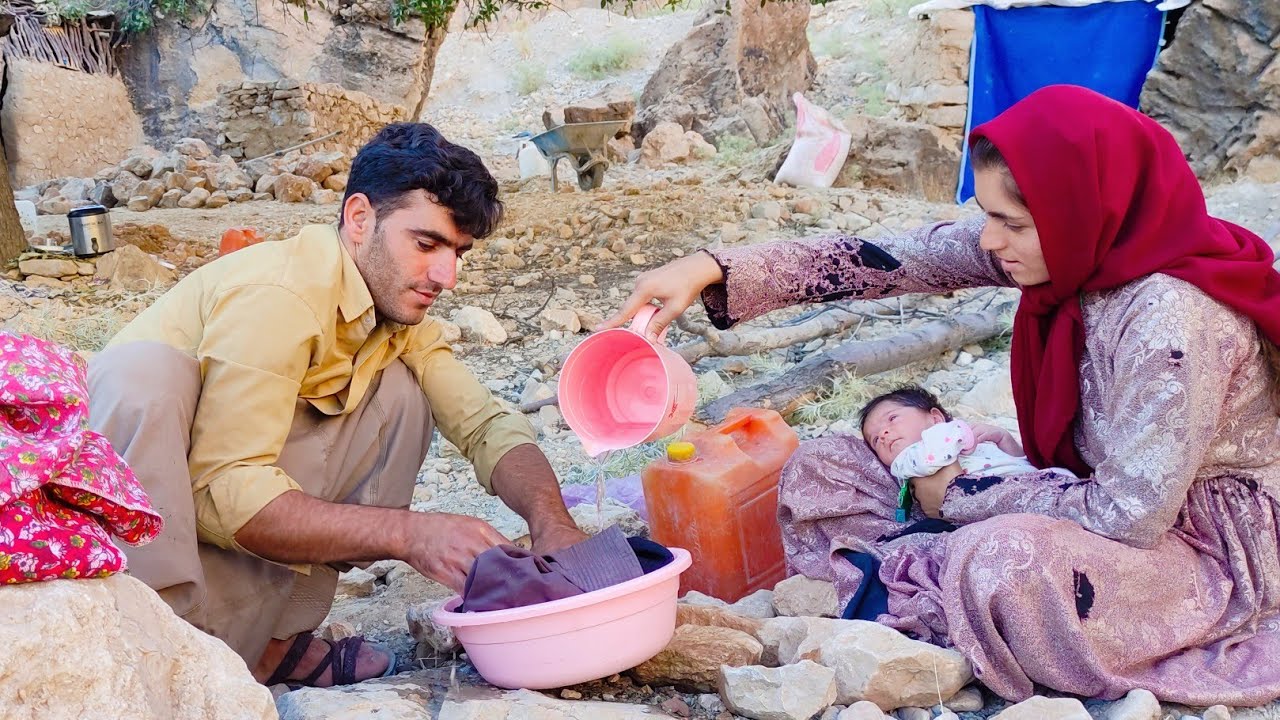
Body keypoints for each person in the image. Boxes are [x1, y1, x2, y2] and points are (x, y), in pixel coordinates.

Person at [601, 85, 1280, 705]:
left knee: (1006, 562)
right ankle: (927, 566)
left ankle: (928, 565)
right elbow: (897, 259)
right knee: (827, 465)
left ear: (1085, 207)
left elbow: (1128, 515)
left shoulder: (1170, 320)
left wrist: (957, 494)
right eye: (988, 217)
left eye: (1011, 223)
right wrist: (716, 268)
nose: (989, 241)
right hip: (1081, 489)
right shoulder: (1075, 247)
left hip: (1195, 547)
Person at [88, 122, 588, 688]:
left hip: (230, 500)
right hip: (151, 518)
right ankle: (162, 664)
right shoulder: (280, 296)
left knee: (402, 392)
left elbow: (483, 425)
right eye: (426, 245)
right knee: (142, 378)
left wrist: (552, 524)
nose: (445, 276)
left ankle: (273, 648)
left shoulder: (393, 303)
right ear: (358, 219)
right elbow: (223, 491)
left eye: (458, 252)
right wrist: (410, 534)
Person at [859, 385, 1075, 522]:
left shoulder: (951, 435)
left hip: (1030, 480)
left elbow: (1022, 463)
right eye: (875, 439)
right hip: (994, 498)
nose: (884, 433)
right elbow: (931, 459)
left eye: (892, 418)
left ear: (934, 418)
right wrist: (958, 434)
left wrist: (1003, 439)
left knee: (1062, 477)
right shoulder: (906, 461)